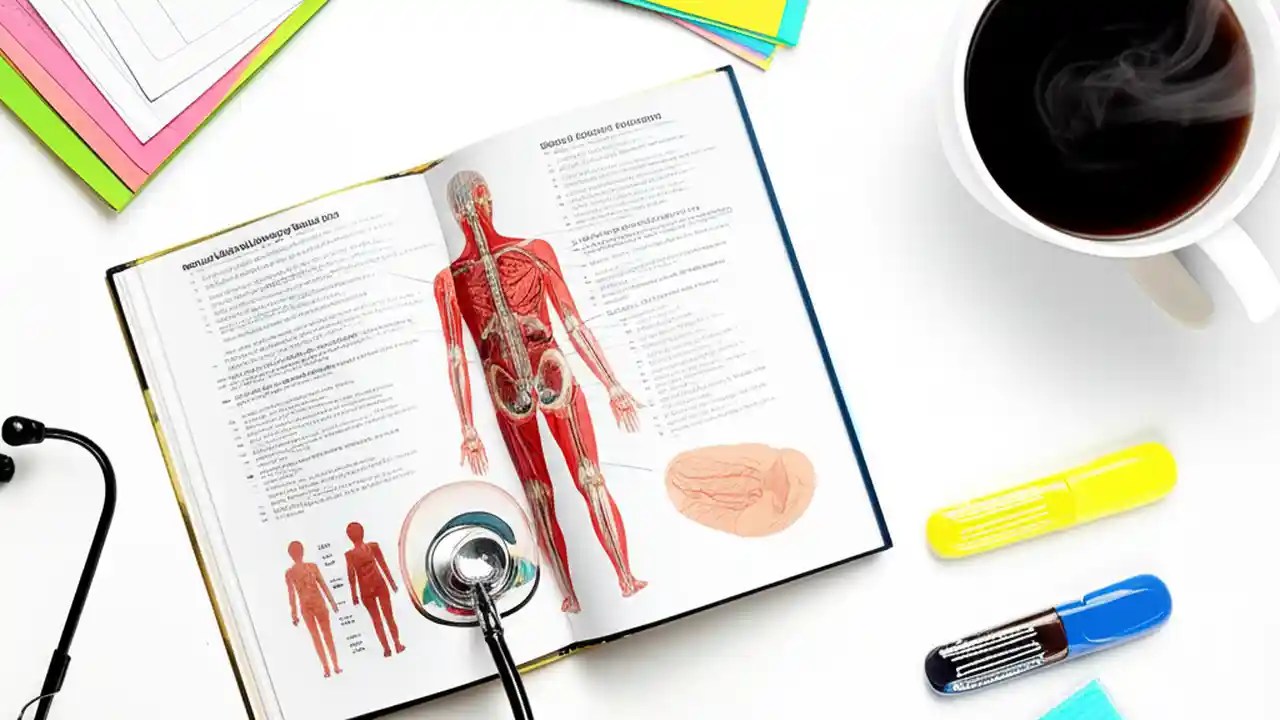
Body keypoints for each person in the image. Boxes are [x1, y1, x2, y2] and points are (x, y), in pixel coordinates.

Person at [433, 170, 647, 613]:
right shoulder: (522, 256)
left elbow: (459, 356)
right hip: (537, 375)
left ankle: (588, 590)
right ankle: (601, 586)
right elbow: (572, 325)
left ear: (454, 213)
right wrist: (611, 385)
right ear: (485, 197)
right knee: (566, 487)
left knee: (562, 488)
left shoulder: (465, 273)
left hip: (516, 382)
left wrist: (470, 428)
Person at [344, 522, 406, 657]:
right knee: (387, 617)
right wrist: (392, 583)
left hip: (367, 588)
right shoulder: (371, 547)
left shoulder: (352, 554)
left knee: (377, 620)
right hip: (377, 584)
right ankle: (396, 645)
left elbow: (351, 576)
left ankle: (388, 648)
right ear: (362, 532)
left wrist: (354, 594)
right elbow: (382, 565)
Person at [284, 541, 342, 678]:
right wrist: (332, 602)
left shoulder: (290, 573)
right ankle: (334, 666)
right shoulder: (312, 567)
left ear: (290, 555)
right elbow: (323, 584)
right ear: (302, 552)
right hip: (318, 604)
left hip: (307, 607)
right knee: (327, 635)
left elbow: (292, 595)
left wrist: (294, 614)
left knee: (316, 637)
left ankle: (328, 668)